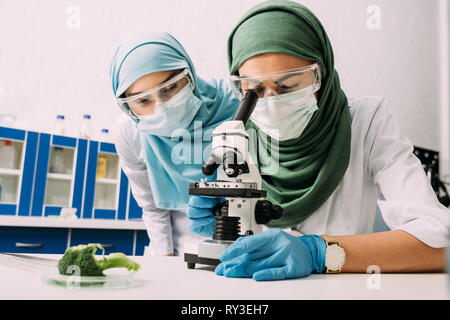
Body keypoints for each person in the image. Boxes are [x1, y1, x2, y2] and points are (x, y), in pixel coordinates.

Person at [187, 0, 449, 280]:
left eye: (287, 86)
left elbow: (439, 244)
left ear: (319, 74)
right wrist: (224, 222)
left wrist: (319, 252)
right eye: (255, 90)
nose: (272, 103)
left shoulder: (367, 123)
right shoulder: (241, 135)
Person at [109, 31, 239, 256]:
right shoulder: (129, 132)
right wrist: (166, 259)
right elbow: (151, 206)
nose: (161, 107)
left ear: (189, 76)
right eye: (142, 100)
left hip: (244, 240)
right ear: (127, 107)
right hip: (179, 250)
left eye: (169, 88)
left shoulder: (238, 104)